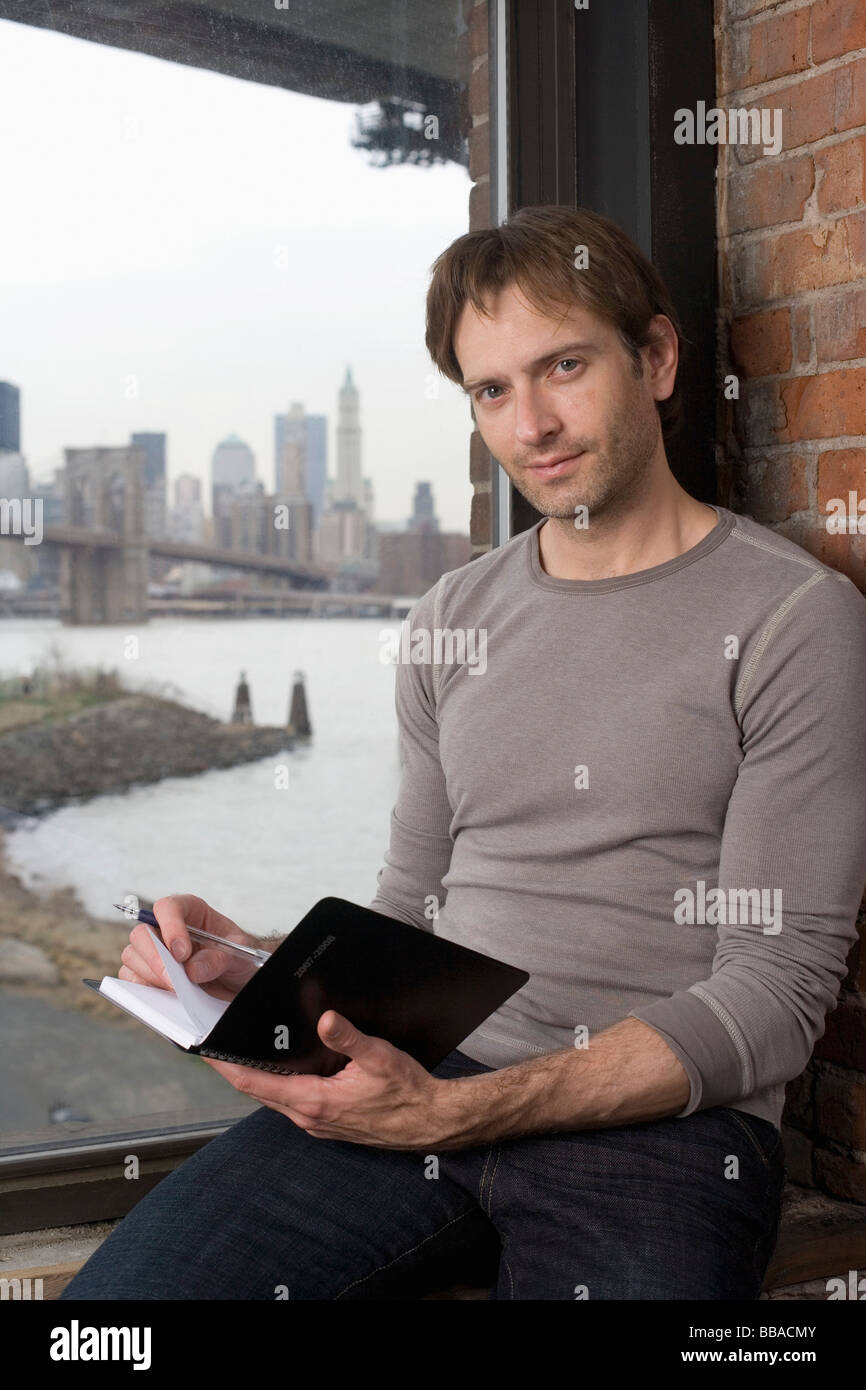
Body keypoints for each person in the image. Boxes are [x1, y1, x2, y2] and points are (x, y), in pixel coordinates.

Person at [61, 204, 866, 1301]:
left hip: (663, 1133)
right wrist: (245, 958)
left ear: (658, 359)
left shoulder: (793, 619)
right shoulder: (451, 613)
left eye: (562, 366)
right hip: (417, 1071)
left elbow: (773, 996)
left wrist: (454, 1113)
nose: (530, 421)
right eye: (490, 390)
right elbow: (410, 908)